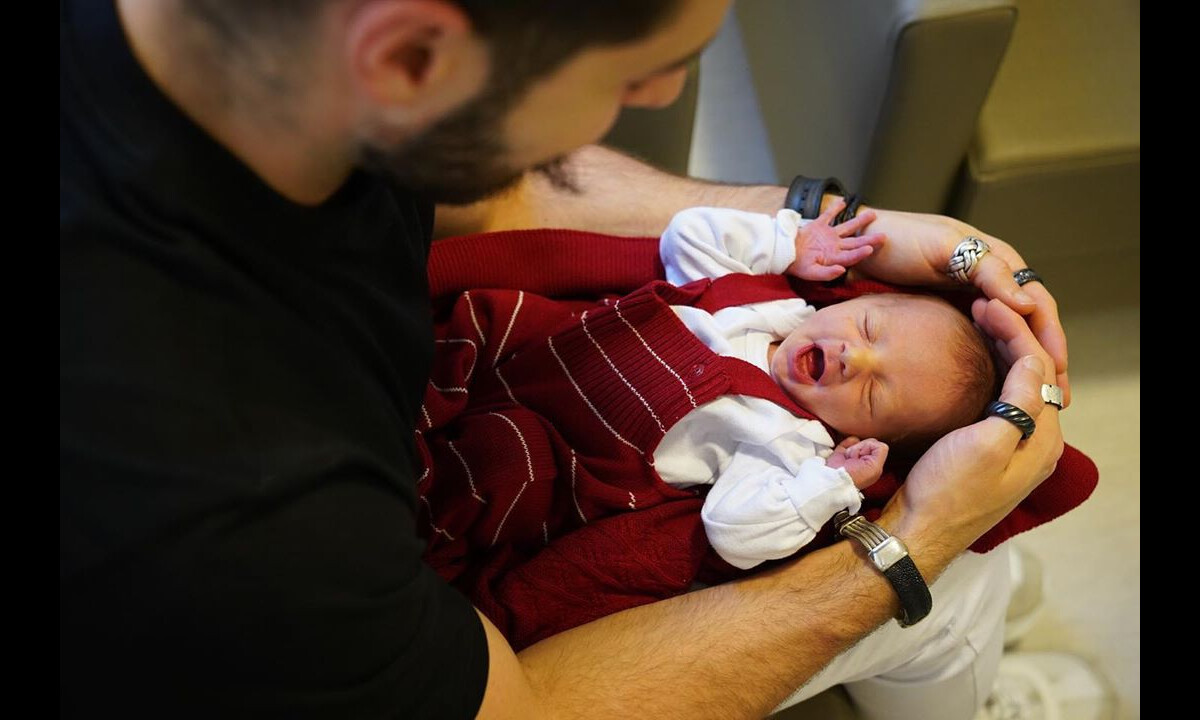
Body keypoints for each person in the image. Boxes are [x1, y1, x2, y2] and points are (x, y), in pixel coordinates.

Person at [60, 1, 1069, 718]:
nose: (664, 93)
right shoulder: (225, 505)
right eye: (634, 74)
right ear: (413, 58)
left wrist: (842, 226)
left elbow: (507, 193)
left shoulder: (241, 65)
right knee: (965, 587)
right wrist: (921, 536)